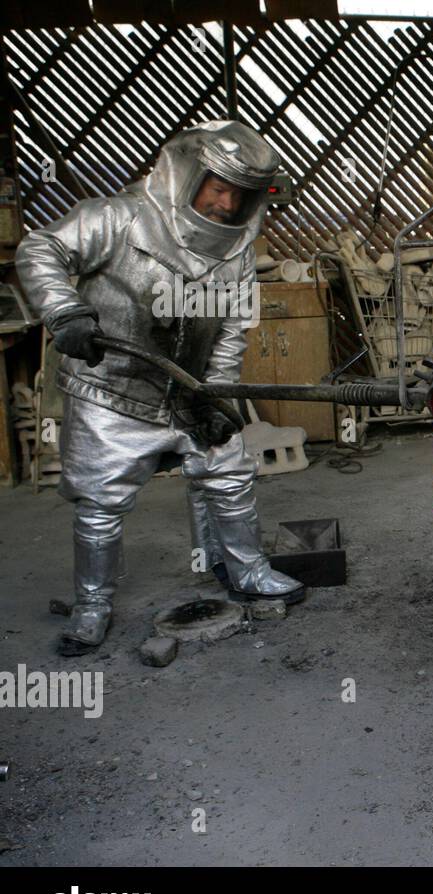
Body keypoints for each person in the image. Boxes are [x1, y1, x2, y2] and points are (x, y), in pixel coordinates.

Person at [17, 120, 305, 657]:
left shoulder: (236, 251)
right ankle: (92, 606)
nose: (225, 204)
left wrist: (214, 395)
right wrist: (63, 311)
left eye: (239, 196)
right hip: (111, 395)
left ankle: (250, 572)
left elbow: (230, 330)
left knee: (229, 473)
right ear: (186, 176)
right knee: (101, 506)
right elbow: (39, 250)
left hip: (188, 396)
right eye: (218, 188)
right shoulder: (116, 219)